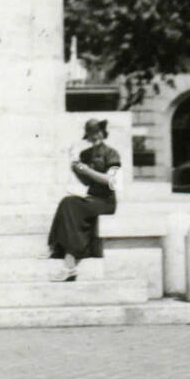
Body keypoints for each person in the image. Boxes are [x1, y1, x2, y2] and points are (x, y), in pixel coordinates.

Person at [48, 119, 120, 281]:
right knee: (67, 202)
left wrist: (87, 170)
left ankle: (68, 262)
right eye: (91, 133)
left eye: (97, 132)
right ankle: (63, 256)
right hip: (92, 198)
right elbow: (87, 182)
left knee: (72, 207)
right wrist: (76, 168)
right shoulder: (85, 154)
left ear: (103, 133)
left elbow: (113, 181)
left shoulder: (112, 154)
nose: (95, 136)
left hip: (106, 201)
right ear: (87, 136)